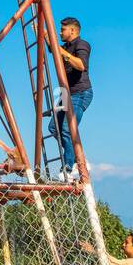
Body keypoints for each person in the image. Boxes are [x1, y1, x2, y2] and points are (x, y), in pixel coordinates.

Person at [49, 16, 92, 180]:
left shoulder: (82, 45)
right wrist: (44, 34)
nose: (60, 32)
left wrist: (63, 52)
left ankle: (69, 167)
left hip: (80, 92)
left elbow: (81, 65)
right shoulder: (65, 46)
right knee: (54, 128)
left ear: (72, 30)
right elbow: (53, 49)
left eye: (62, 29)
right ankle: (77, 157)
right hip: (66, 93)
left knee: (67, 129)